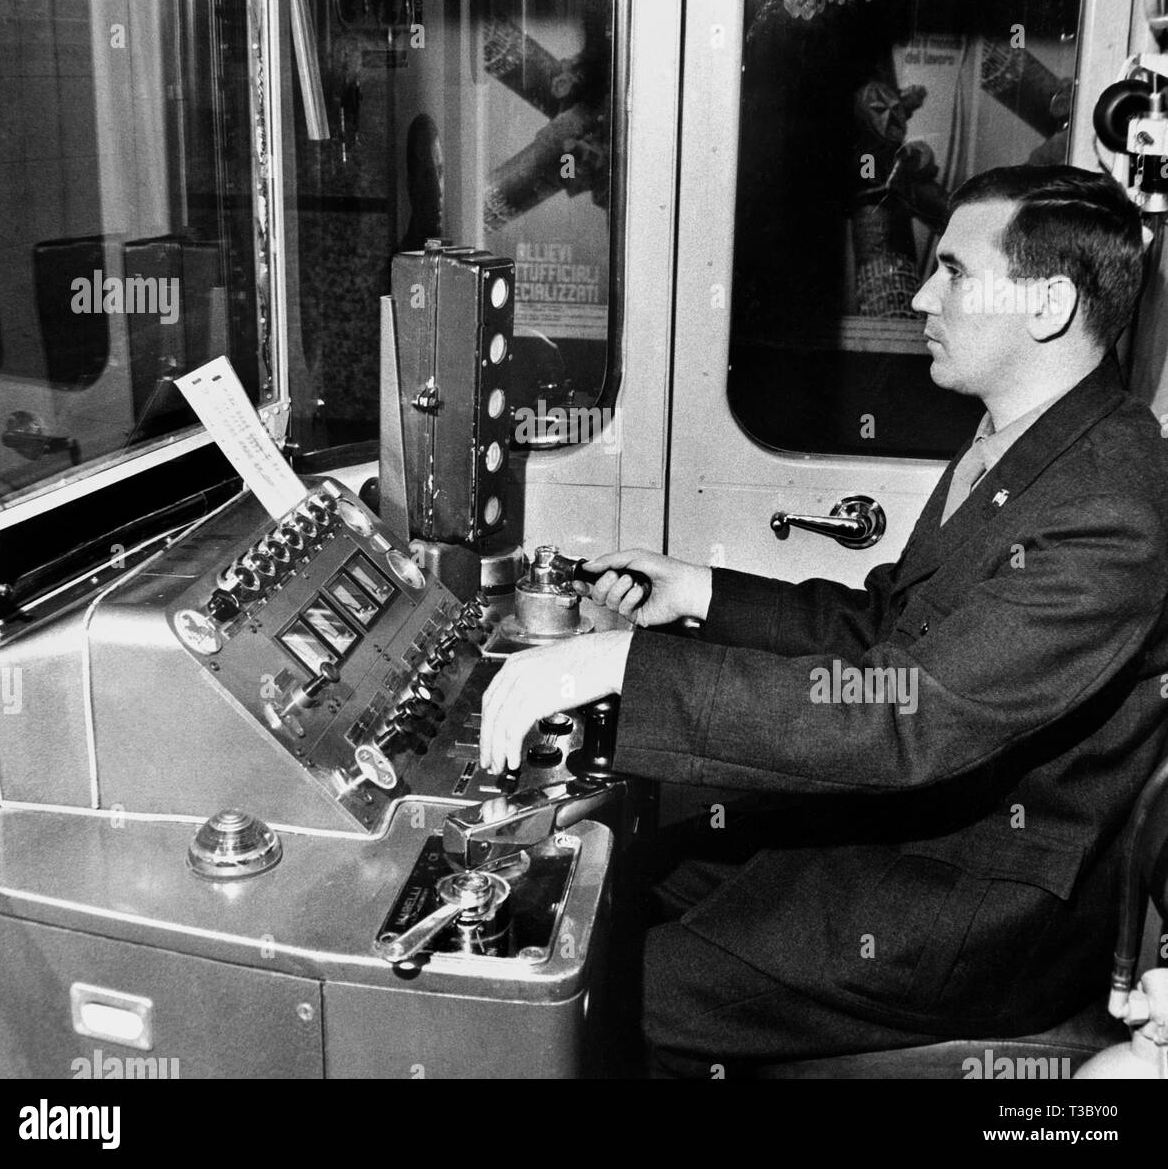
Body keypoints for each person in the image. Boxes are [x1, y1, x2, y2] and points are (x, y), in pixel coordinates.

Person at [480, 164, 1168, 1076]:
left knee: (577, 994)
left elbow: (904, 708)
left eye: (953, 271)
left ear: (1045, 306)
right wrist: (701, 593)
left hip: (974, 904)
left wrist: (618, 671)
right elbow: (891, 631)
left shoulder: (1109, 504)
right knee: (608, 869)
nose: (920, 293)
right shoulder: (1027, 437)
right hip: (921, 830)